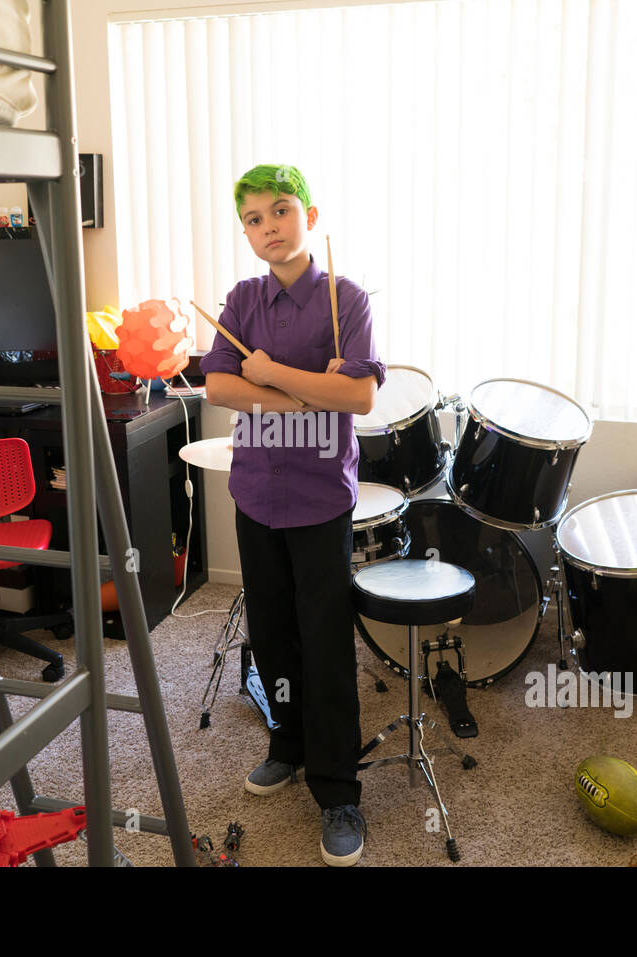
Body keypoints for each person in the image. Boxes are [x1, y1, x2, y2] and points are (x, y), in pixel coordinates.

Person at [201, 163, 386, 866]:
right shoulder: (241, 299)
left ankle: (338, 787)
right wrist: (314, 394)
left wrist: (273, 376)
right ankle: (287, 744)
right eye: (253, 218)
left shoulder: (347, 297)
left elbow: (362, 400)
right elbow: (218, 384)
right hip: (256, 495)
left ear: (310, 212)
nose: (268, 226)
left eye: (280, 210)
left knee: (326, 643)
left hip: (318, 504)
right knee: (273, 635)